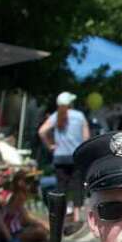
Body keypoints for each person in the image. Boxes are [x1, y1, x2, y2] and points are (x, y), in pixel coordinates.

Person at [37, 92, 90, 230]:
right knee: (77, 185)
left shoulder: (55, 116)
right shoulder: (79, 116)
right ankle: (77, 216)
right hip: (76, 156)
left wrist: (50, 145)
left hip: (59, 156)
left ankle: (64, 215)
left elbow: (42, 131)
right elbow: (86, 136)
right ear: (71, 103)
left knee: (62, 186)